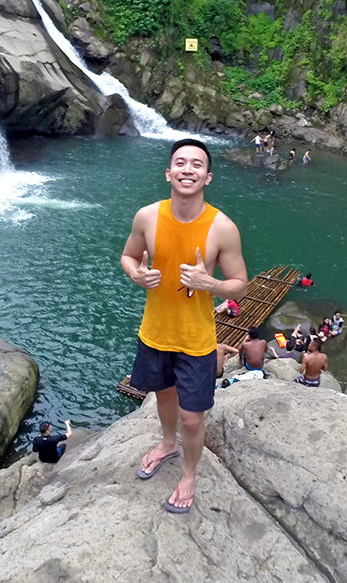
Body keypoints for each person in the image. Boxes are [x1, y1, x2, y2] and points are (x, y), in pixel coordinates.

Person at [122, 138, 247, 514]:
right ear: (168, 173)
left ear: (207, 177)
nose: (187, 169)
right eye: (180, 162)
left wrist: (211, 284)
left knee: (192, 417)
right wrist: (137, 275)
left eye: (196, 164)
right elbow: (128, 256)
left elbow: (240, 282)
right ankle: (166, 443)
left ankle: (189, 473)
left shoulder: (222, 228)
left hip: (196, 338)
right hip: (156, 332)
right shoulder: (147, 216)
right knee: (163, 398)